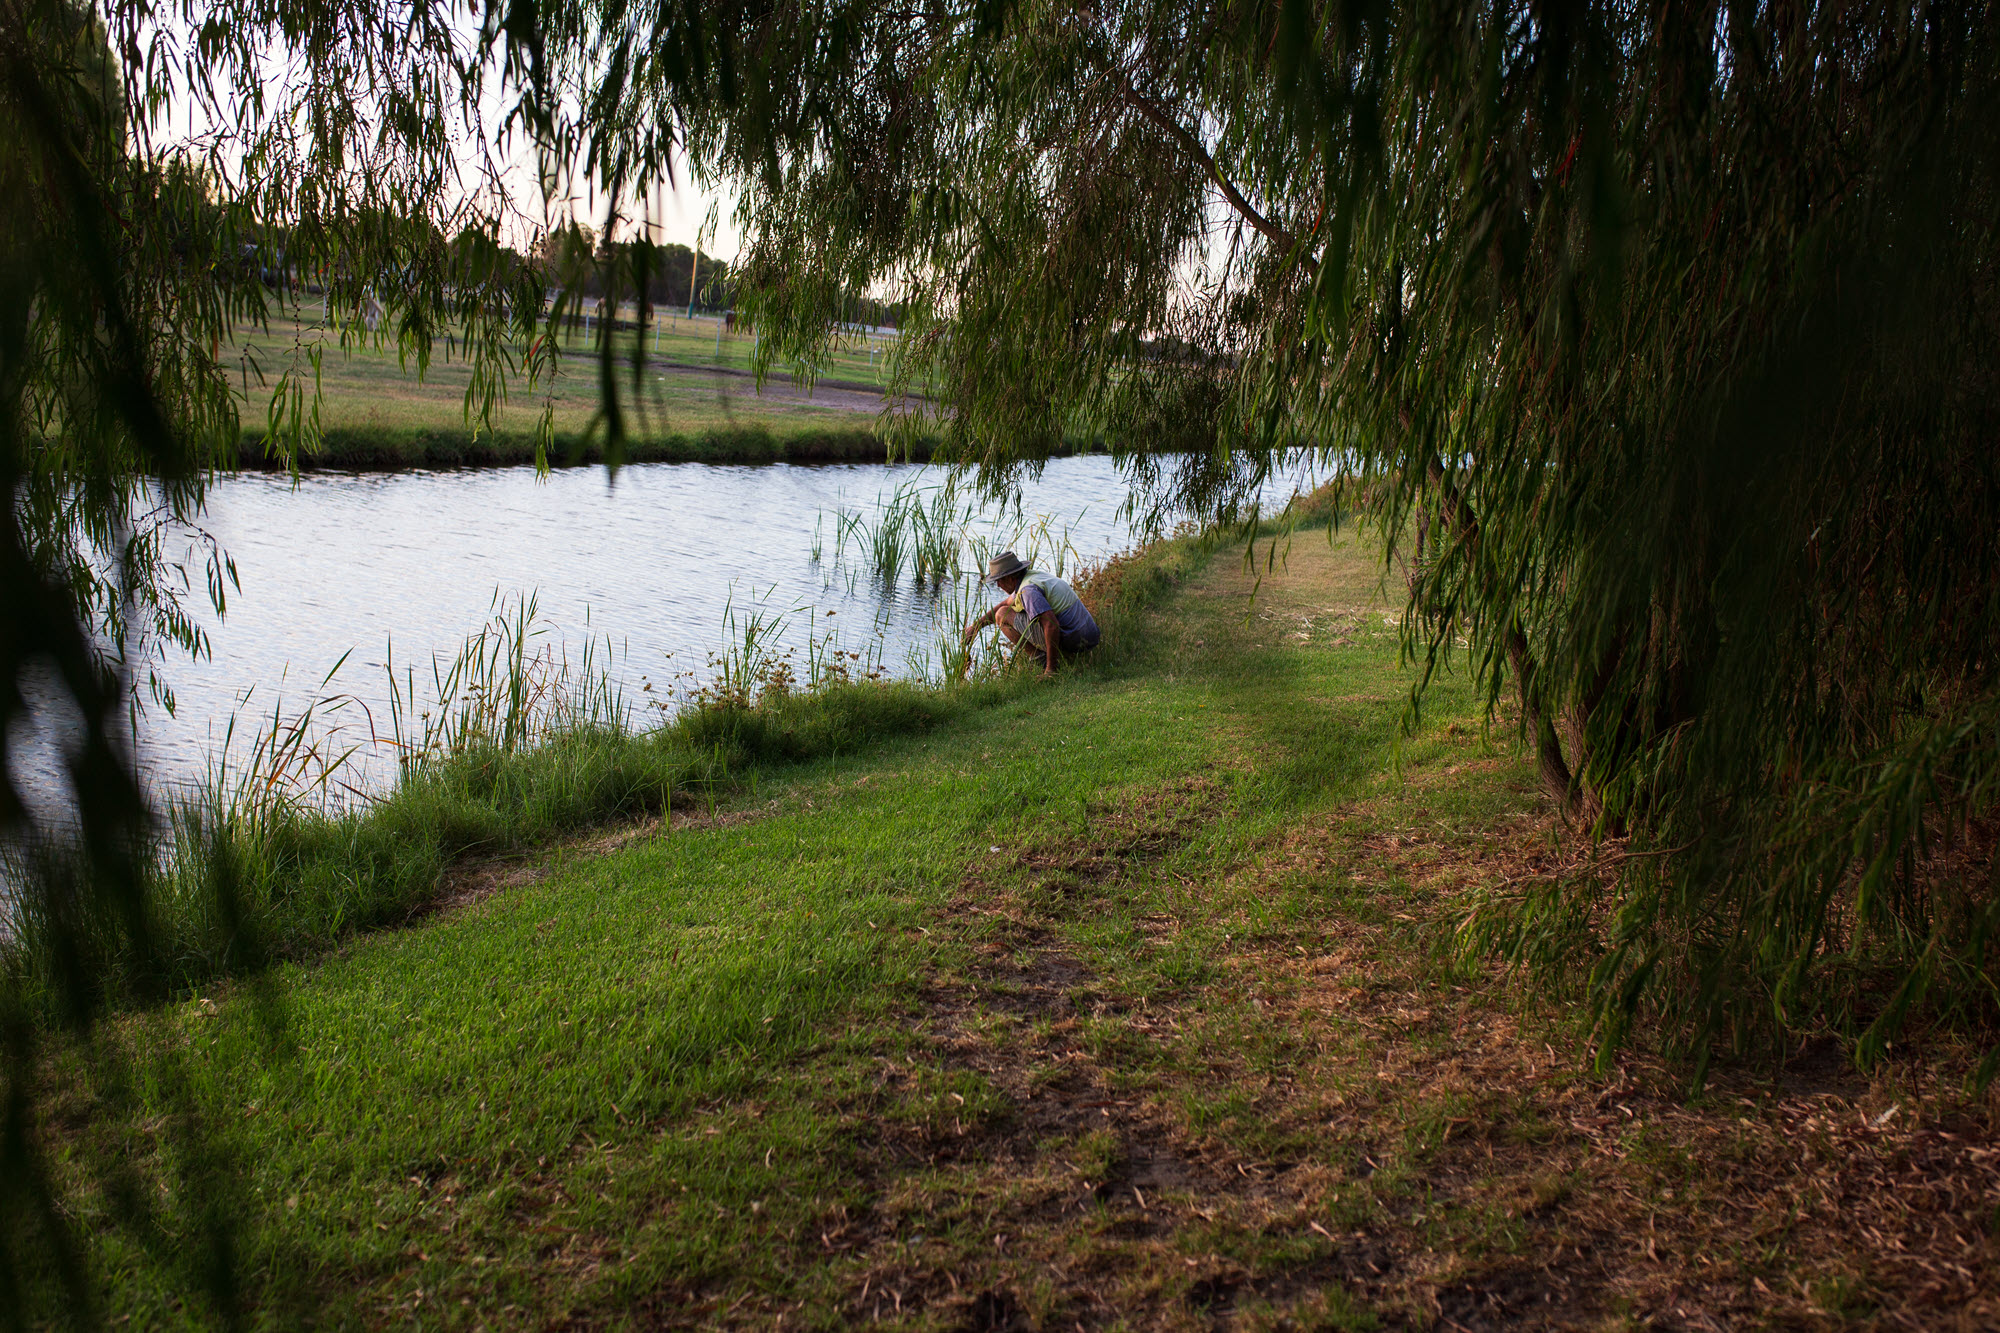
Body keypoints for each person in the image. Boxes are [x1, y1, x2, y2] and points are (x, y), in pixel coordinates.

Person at [961, 551, 1100, 679]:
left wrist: (1050, 670)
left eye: (999, 580)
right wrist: (976, 626)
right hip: (1089, 636)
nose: (998, 585)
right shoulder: (1032, 577)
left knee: (1002, 615)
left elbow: (1051, 625)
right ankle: (1050, 659)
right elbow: (1005, 603)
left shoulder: (1028, 591)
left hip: (1075, 640)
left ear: (1010, 578)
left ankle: (1041, 660)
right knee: (1003, 610)